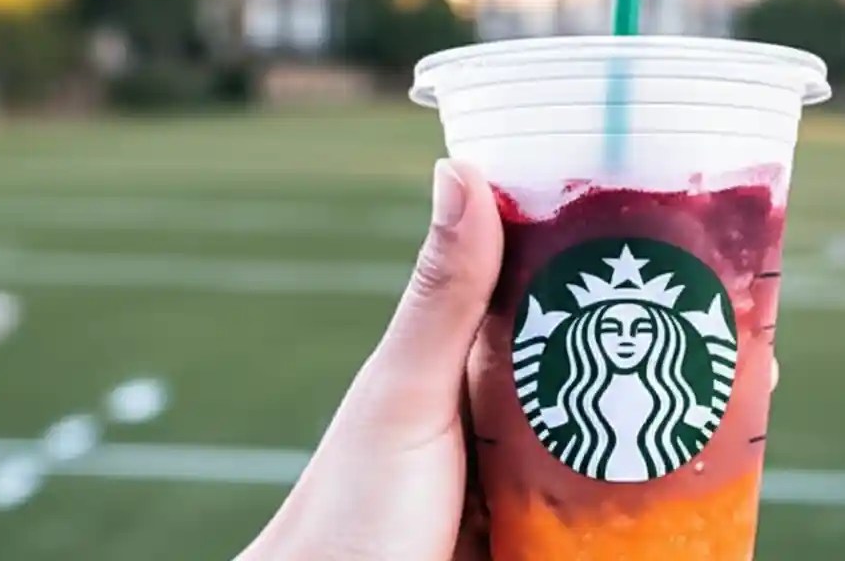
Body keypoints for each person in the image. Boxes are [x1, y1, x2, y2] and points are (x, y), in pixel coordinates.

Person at [237, 160, 777, 561]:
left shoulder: (672, 405)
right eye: (611, 327)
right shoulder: (572, 409)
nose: (626, 340)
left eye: (641, 327)